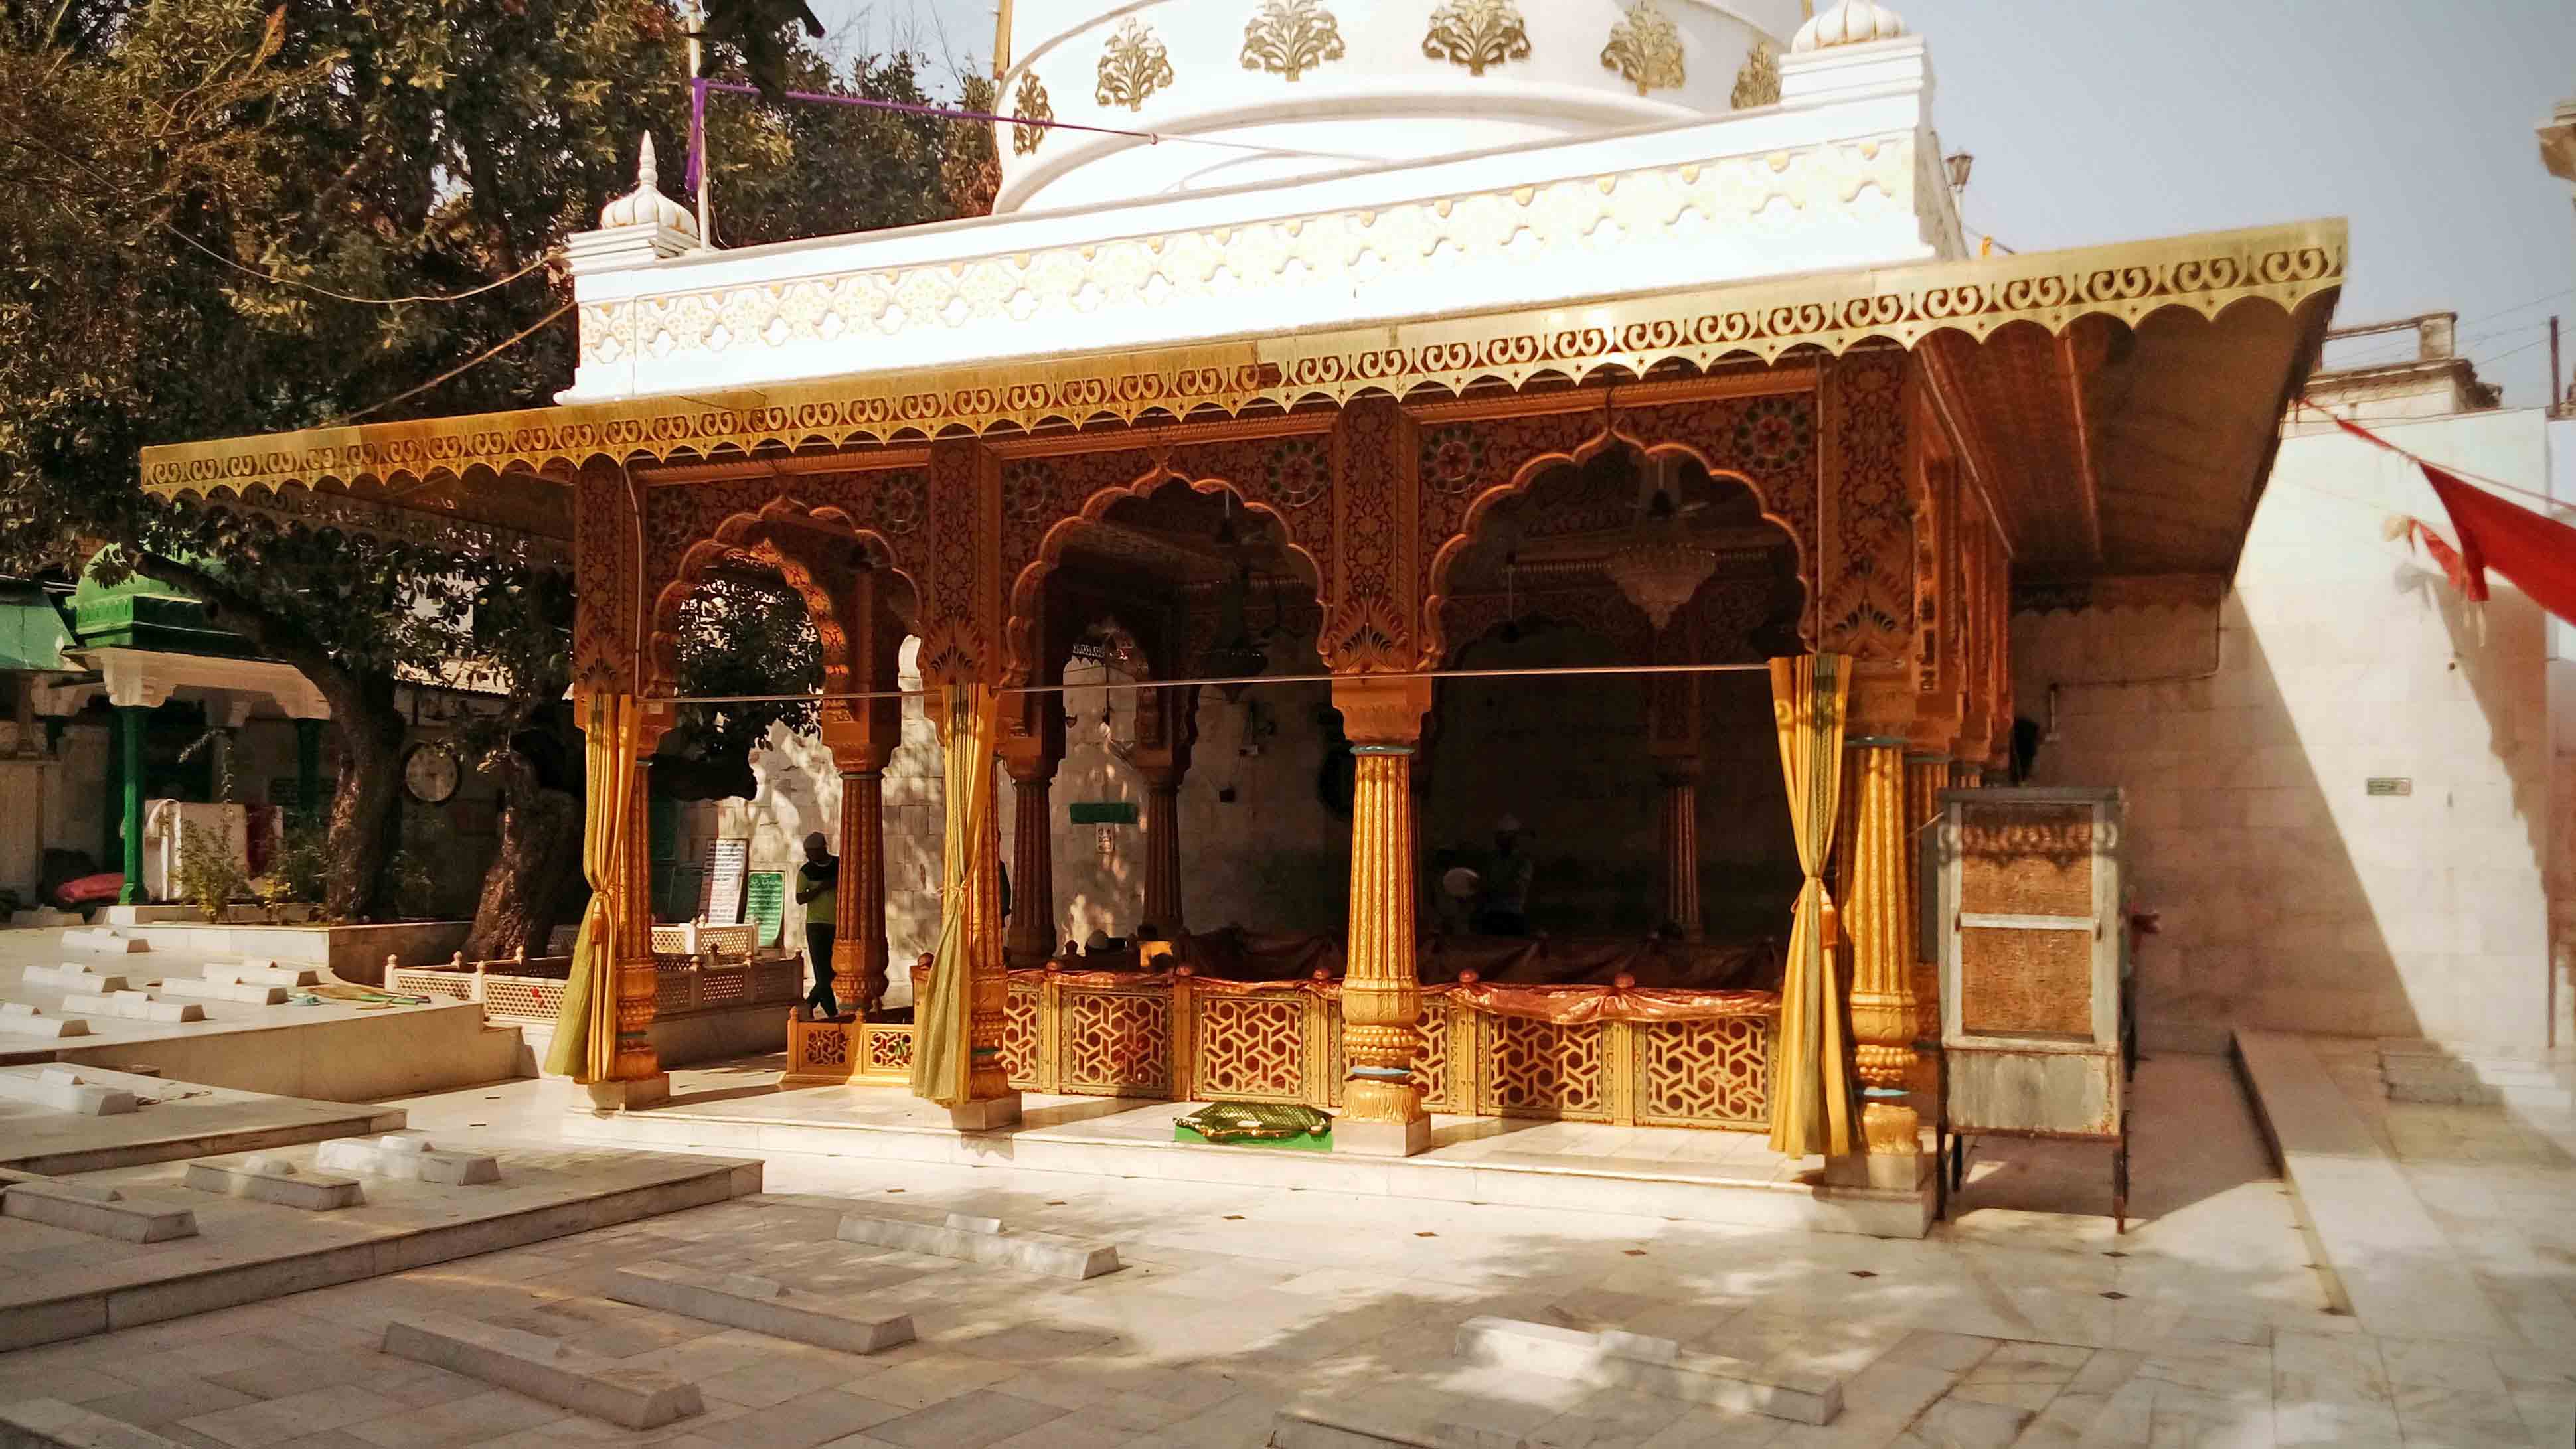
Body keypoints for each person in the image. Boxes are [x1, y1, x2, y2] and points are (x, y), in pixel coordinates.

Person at [795, 832, 841, 1018]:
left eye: (811, 852)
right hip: (816, 926)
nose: (808, 856)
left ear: (822, 849)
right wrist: (821, 888)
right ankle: (833, 1015)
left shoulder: (839, 864)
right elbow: (800, 898)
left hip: (838, 923)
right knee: (822, 973)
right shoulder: (806, 871)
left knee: (835, 971)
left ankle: (808, 1004)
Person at [1478, 816, 1534, 937]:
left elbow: (1516, 889)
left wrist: (1487, 888)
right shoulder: (1491, 859)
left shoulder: (1523, 861)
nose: (1499, 840)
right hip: (1491, 917)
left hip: (1513, 917)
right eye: (1498, 836)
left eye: (1504, 836)